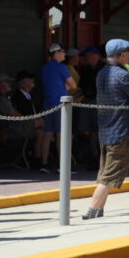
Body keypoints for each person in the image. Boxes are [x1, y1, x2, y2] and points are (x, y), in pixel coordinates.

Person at [82, 40, 129, 220]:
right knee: (110, 175)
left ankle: (99, 209)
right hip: (121, 130)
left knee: (105, 172)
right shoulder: (122, 75)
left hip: (106, 129)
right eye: (128, 52)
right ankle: (92, 209)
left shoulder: (103, 73)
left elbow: (124, 88)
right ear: (122, 54)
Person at [37, 44, 76, 172]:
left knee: (47, 133)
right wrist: (66, 85)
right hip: (60, 103)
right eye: (62, 51)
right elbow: (73, 84)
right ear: (56, 53)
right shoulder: (62, 67)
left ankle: (43, 164)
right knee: (61, 134)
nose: (64, 53)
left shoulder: (44, 68)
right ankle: (62, 166)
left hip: (48, 102)